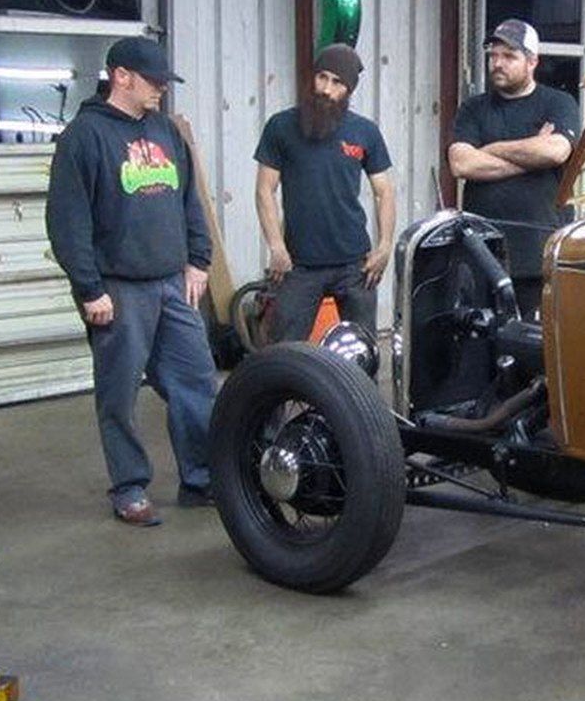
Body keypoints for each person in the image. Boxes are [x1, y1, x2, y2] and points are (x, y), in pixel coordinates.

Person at [46, 36, 220, 528]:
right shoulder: (85, 137)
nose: (162, 90)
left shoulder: (165, 131)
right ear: (121, 76)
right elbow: (67, 220)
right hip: (118, 289)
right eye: (154, 81)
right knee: (119, 392)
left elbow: (190, 200)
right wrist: (89, 288)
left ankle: (202, 478)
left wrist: (199, 261)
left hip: (170, 281)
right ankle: (129, 487)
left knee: (196, 379)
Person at [253, 43, 397, 346]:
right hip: (298, 264)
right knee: (282, 355)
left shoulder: (365, 132)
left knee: (360, 356)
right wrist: (277, 247)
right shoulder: (281, 127)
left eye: (337, 82)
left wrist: (384, 247)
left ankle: (356, 396)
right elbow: (265, 190)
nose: (326, 89)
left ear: (348, 90)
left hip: (356, 266)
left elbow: (384, 192)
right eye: (322, 77)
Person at [447, 20, 580, 317]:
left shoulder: (558, 103)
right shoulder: (474, 108)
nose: (497, 63)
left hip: (537, 256)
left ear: (532, 61)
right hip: (482, 253)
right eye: (494, 55)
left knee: (533, 350)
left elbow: (557, 151)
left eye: (509, 56)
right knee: (481, 347)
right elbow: (461, 163)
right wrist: (533, 151)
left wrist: (490, 149)